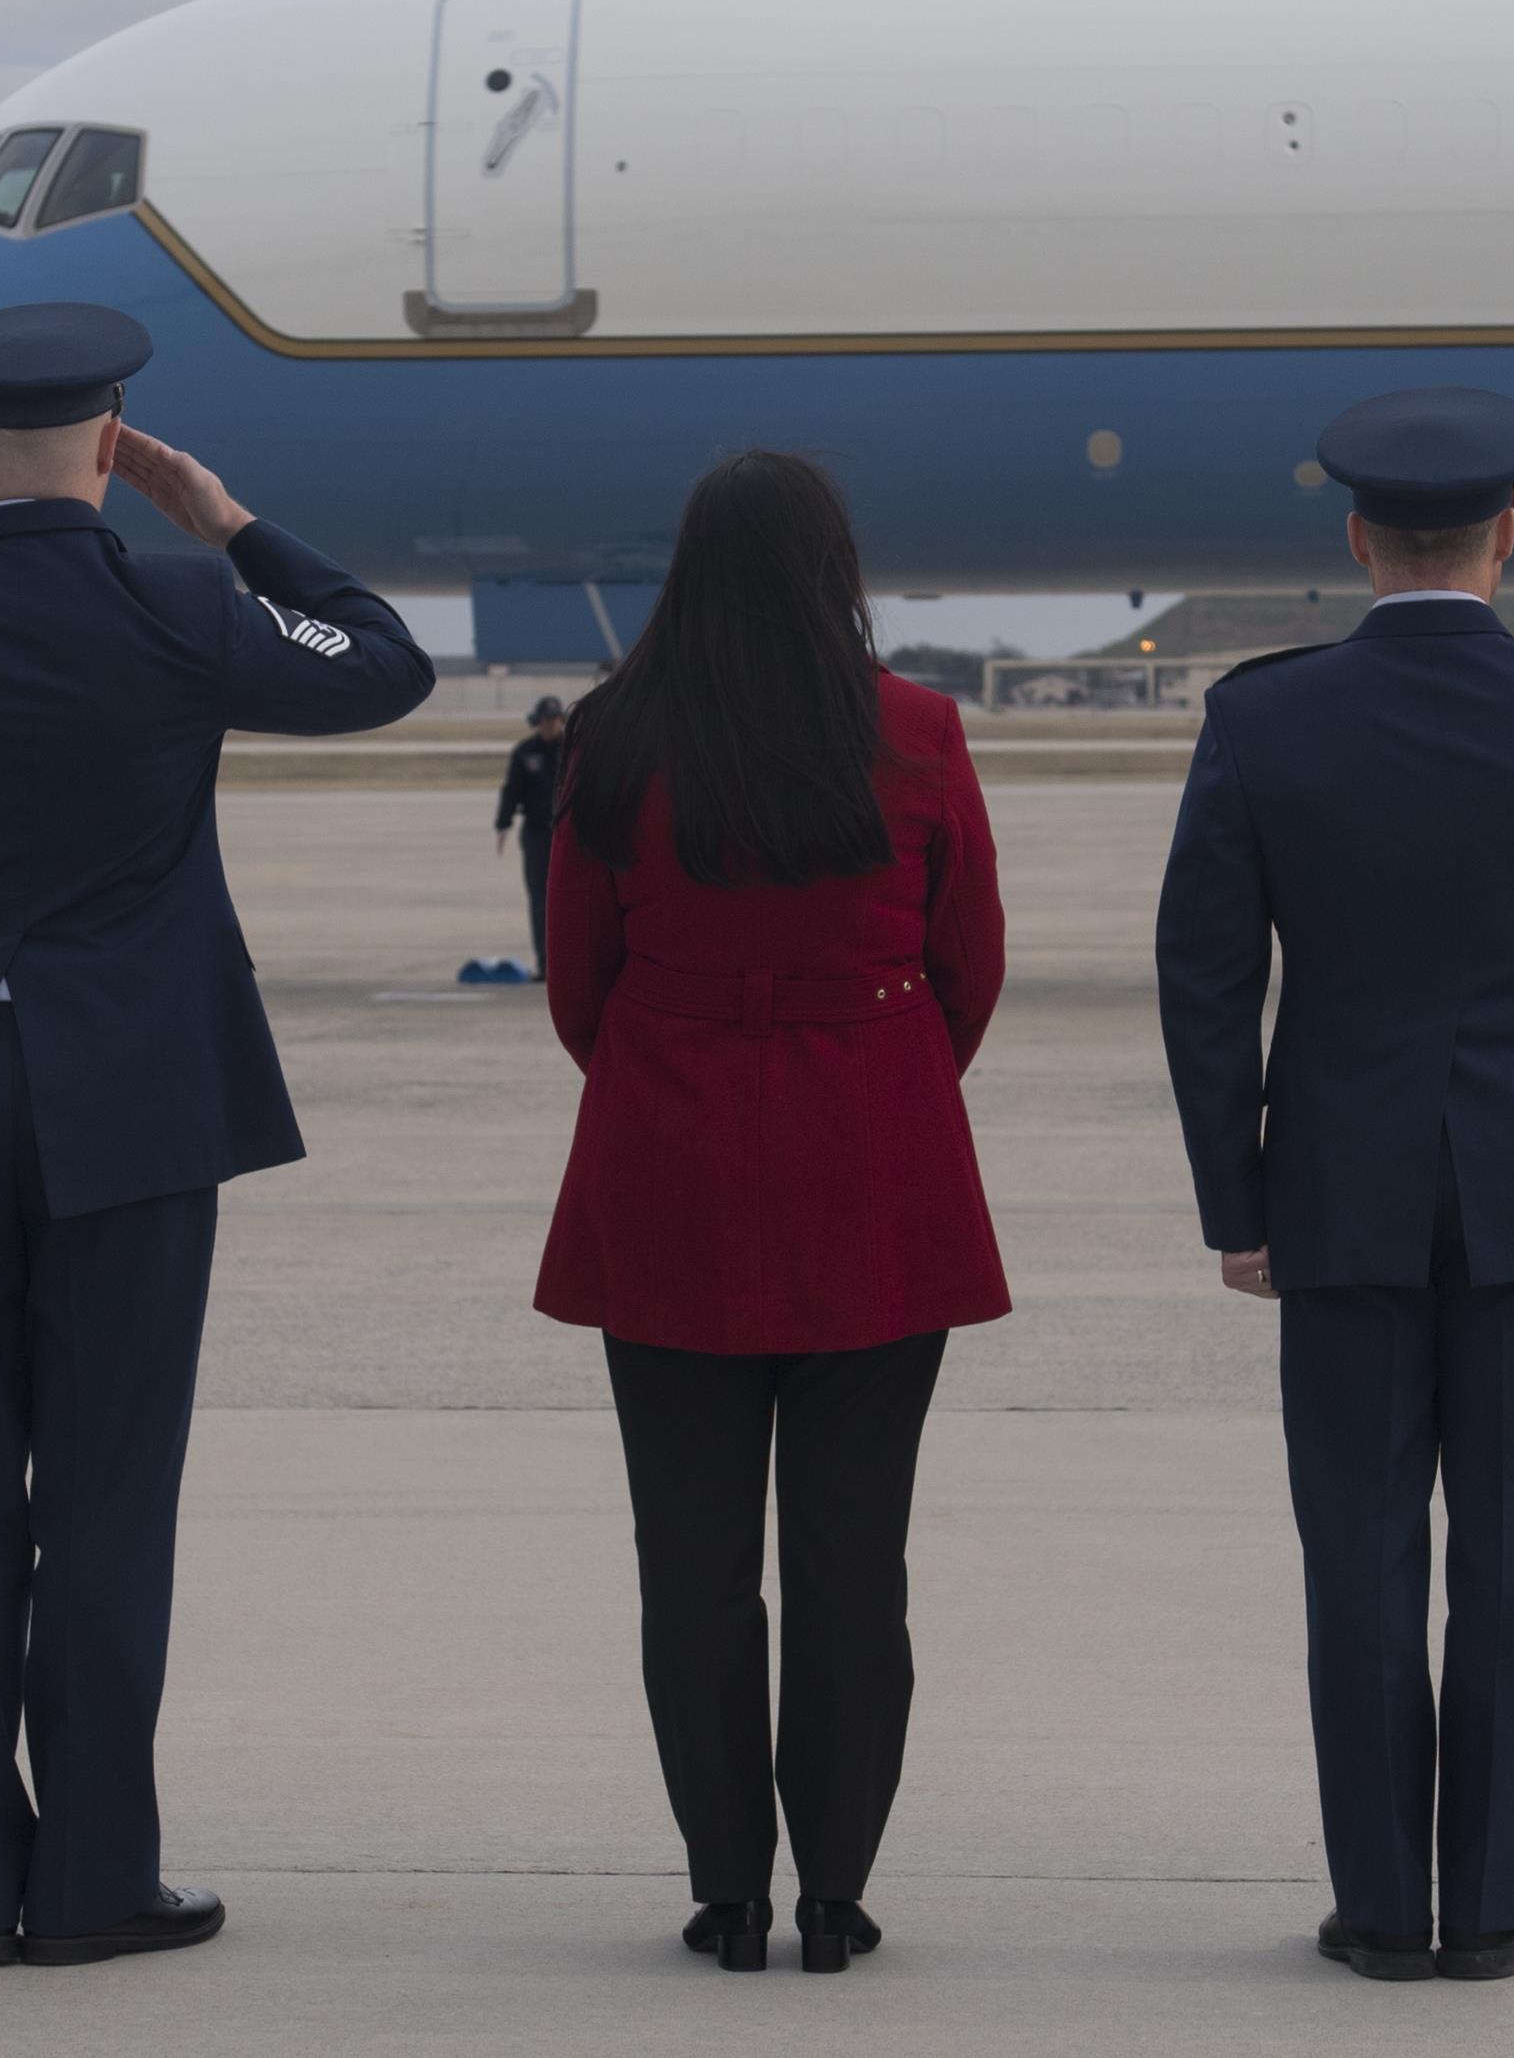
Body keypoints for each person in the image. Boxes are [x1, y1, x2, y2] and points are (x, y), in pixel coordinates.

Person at [0, 300, 432, 1970]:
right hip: (132, 1106)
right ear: (114, 446)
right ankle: (98, 1871)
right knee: (109, 1498)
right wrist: (231, 522)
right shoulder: (180, 603)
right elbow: (380, 661)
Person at [1152, 388, 1514, 1985]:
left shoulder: (1266, 717)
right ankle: (1492, 1908)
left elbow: (1206, 979)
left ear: (1357, 539)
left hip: (1339, 1194)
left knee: (1357, 1565)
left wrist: (1235, 1205)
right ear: (1508, 542)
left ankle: (1377, 1913)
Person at [532, 451, 1009, 1977]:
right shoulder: (917, 729)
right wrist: (879, 1069)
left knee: (692, 1566)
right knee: (855, 1561)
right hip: (877, 1166)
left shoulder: (615, 736)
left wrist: (678, 1064)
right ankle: (838, 1890)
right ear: (832, 570)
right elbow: (969, 966)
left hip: (667, 1166)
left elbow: (578, 983)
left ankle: (727, 1888)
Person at [489, 694, 569, 973]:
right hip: (536, 834)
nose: (550, 726)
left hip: (568, 835)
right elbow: (512, 790)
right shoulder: (525, 752)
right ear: (538, 722)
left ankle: (569, 962)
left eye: (555, 720)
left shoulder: (573, 750)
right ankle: (545, 962)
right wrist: (503, 824)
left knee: (570, 899)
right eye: (546, 721)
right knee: (540, 899)